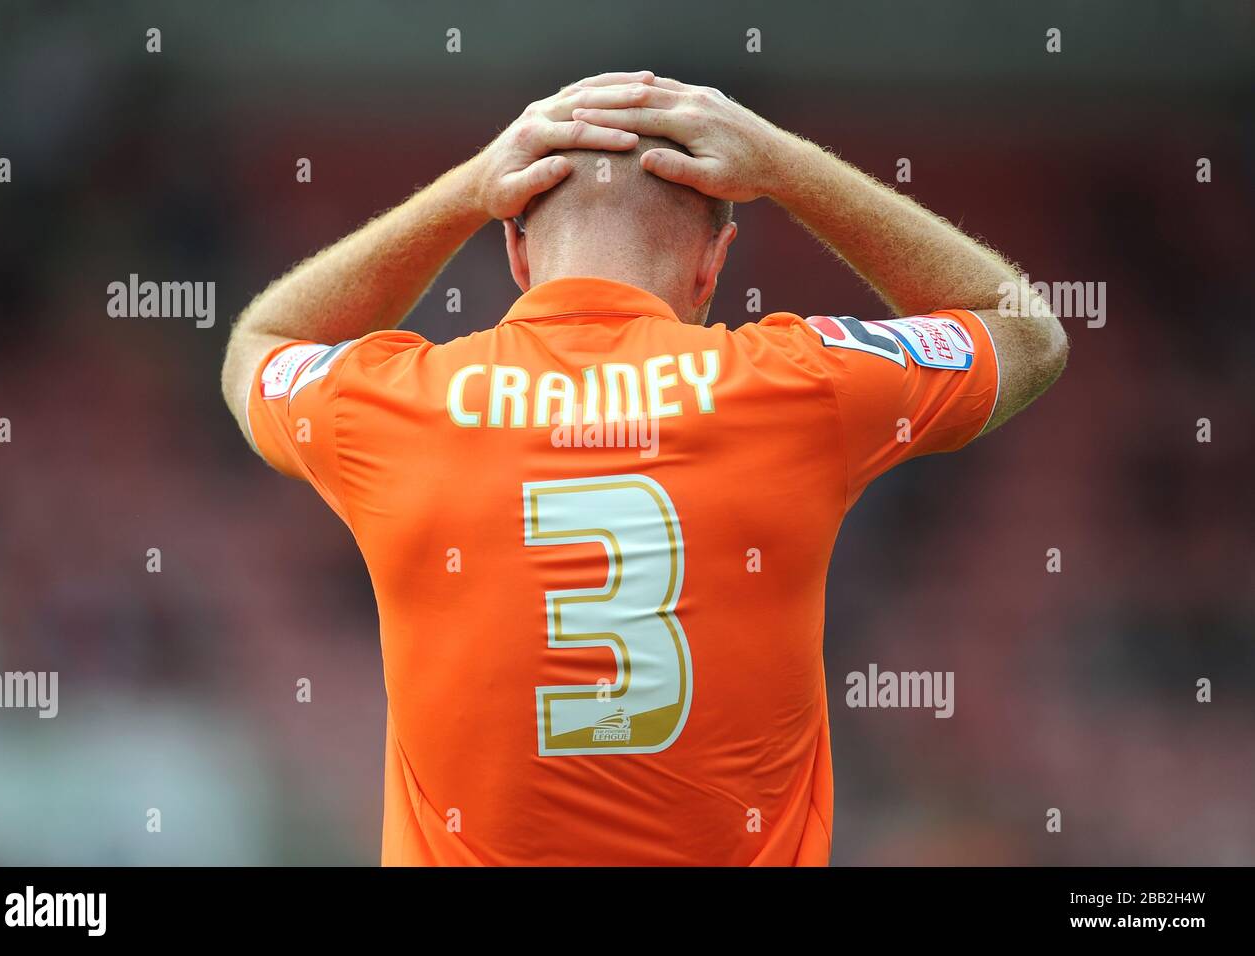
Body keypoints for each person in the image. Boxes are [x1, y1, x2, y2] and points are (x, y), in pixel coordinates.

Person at [221, 70, 1067, 865]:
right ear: (713, 263)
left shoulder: (397, 404)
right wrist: (789, 166)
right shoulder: (793, 384)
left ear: (516, 253)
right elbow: (1028, 331)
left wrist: (463, 193)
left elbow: (258, 348)